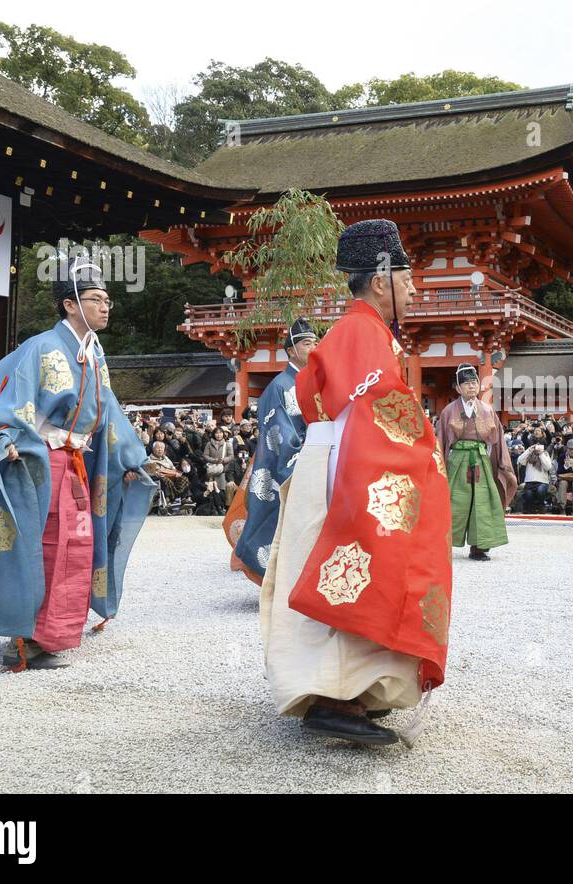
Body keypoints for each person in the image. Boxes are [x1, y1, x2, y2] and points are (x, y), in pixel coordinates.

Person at [260, 219, 451, 746]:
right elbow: (377, 414)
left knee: (344, 569)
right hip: (345, 466)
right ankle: (335, 698)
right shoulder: (364, 332)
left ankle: (353, 691)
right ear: (380, 280)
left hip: (337, 458)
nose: (415, 289)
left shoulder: (363, 330)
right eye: (408, 279)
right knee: (351, 566)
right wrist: (424, 452)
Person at [0, 257, 154, 671]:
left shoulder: (95, 355)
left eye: (108, 300)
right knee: (39, 545)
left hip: (77, 463)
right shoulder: (42, 347)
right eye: (96, 299)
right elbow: (14, 399)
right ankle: (22, 639)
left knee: (75, 546)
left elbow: (109, 413)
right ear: (70, 304)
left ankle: (55, 633)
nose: (106, 307)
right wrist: (7, 438)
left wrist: (133, 457)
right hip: (42, 461)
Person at [226, 319, 316, 584]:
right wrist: (305, 460)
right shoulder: (280, 386)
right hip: (288, 465)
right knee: (277, 523)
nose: (314, 348)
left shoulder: (308, 382)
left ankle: (296, 581)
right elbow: (280, 435)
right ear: (291, 350)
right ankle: (283, 582)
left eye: (316, 342)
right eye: (307, 343)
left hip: (310, 459)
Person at [436, 363, 516, 560]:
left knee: (482, 502)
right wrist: (438, 466)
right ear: (457, 388)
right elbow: (440, 441)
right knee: (454, 501)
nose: (471, 387)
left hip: (481, 461)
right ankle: (442, 544)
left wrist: (503, 465)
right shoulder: (448, 411)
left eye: (474, 382)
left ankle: (479, 547)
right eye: (466, 384)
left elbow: (497, 441)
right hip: (457, 461)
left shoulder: (487, 410)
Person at [203, 426, 235, 515]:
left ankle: (222, 506)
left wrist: (223, 460)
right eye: (216, 433)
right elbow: (205, 455)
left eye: (220, 433)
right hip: (212, 469)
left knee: (221, 489)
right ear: (214, 434)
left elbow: (231, 456)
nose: (218, 435)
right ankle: (214, 507)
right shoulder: (209, 444)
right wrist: (214, 460)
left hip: (222, 470)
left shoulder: (227, 444)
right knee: (211, 489)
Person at [516, 442, 554, 513]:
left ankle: (541, 506)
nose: (537, 448)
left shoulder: (545, 454)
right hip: (530, 481)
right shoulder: (528, 455)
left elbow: (548, 467)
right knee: (528, 494)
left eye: (539, 446)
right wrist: (528, 450)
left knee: (540, 490)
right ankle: (531, 508)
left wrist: (541, 454)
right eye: (536, 446)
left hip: (542, 482)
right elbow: (520, 461)